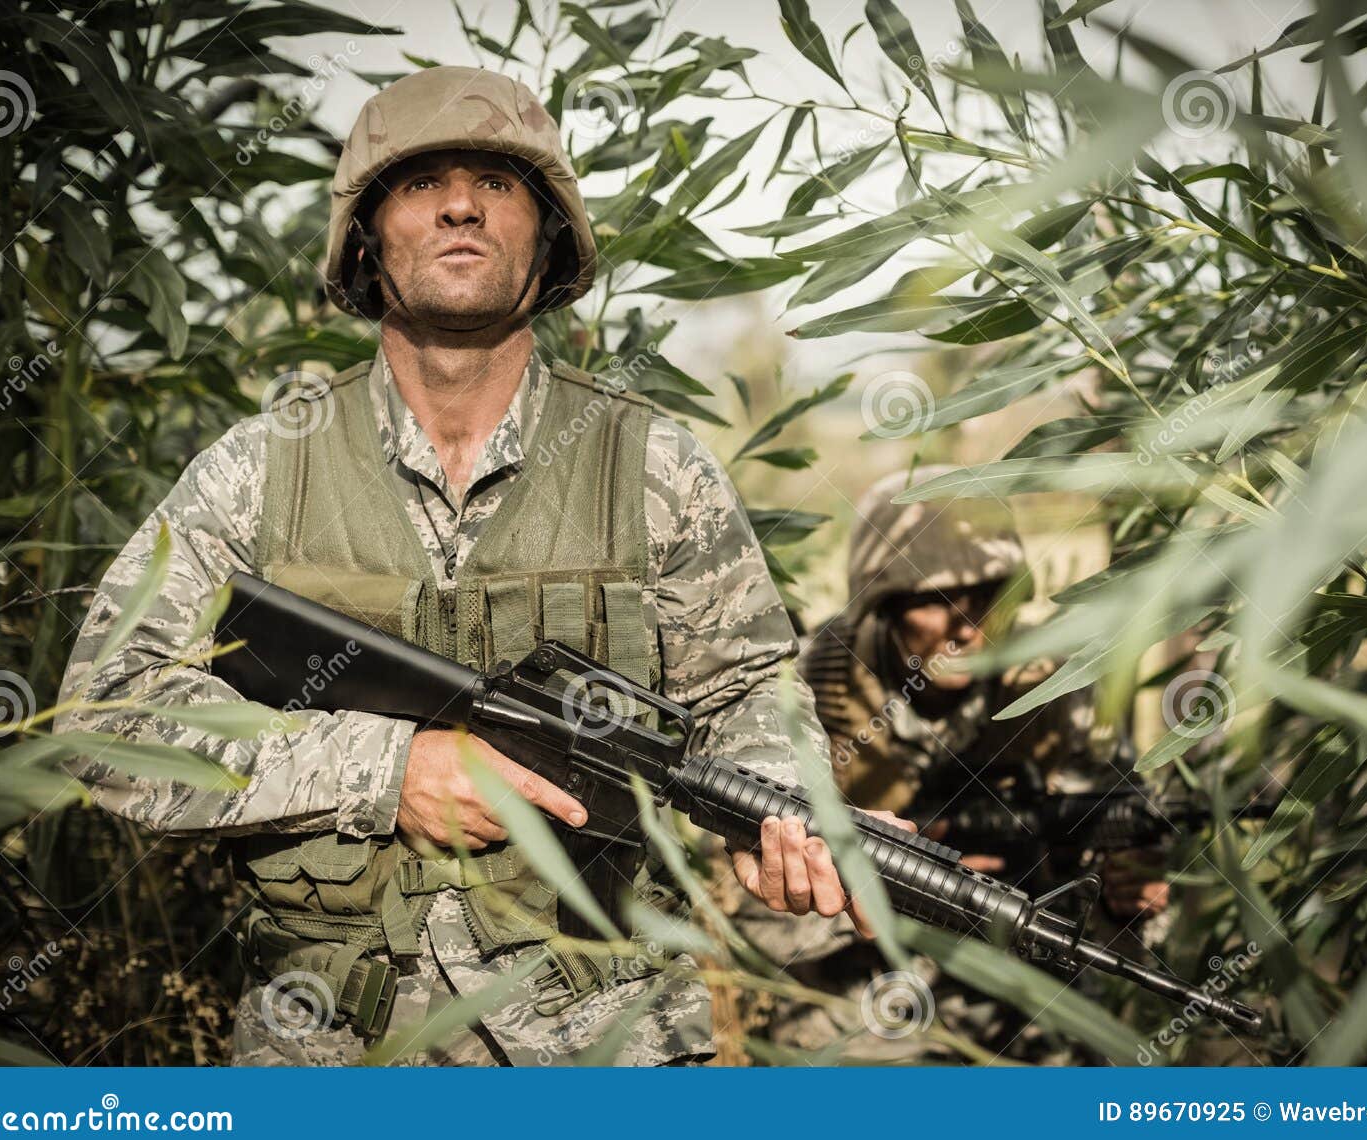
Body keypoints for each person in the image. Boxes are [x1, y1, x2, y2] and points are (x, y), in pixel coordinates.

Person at [56, 66, 898, 1067]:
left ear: (550, 238)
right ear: (368, 239)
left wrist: (774, 802)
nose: (461, 203)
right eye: (421, 184)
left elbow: (749, 687)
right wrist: (384, 768)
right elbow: (102, 721)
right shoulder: (257, 472)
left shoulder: (655, 465)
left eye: (498, 182)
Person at [736, 466, 1167, 1063]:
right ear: (884, 605)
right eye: (936, 602)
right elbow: (749, 903)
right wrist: (908, 887)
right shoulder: (810, 692)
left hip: (1024, 959)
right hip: (863, 979)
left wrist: (1124, 891)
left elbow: (1120, 855)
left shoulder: (1057, 689)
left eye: (988, 598)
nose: (966, 627)